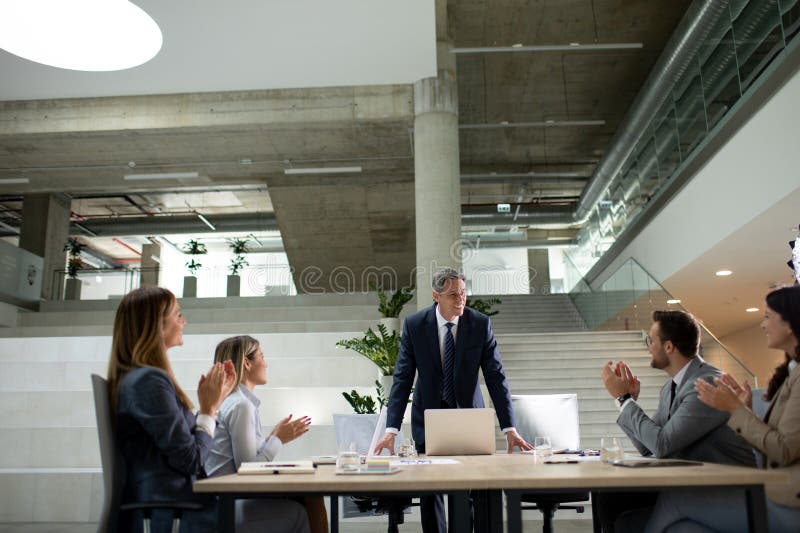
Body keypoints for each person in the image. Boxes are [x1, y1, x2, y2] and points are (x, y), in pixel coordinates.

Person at [108, 287, 309, 533]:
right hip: (177, 511)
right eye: (177, 314)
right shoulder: (148, 381)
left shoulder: (143, 379)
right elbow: (192, 459)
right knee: (298, 513)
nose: (183, 321)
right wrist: (208, 409)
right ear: (157, 325)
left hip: (181, 504)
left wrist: (212, 406)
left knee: (298, 503)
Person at [373, 268, 532, 533]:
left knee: (472, 488)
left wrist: (509, 428)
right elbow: (402, 379)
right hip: (429, 418)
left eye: (463, 293)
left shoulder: (479, 324)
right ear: (436, 296)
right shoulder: (414, 325)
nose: (460, 300)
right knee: (430, 492)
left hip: (469, 418)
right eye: (452, 295)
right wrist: (391, 430)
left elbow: (496, 378)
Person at [637, 285, 800, 533]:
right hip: (771, 491)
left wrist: (738, 411)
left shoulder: (704, 382)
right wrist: (744, 412)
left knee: (676, 498)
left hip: (787, 502)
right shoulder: (792, 374)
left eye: (768, 317)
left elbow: (784, 450)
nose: (762, 325)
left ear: (790, 324)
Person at [599, 309, 755, 532]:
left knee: (624, 518)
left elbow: (662, 445)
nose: (648, 346)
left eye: (650, 340)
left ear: (669, 347)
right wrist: (629, 401)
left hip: (723, 491)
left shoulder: (705, 383)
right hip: (691, 484)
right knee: (610, 497)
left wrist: (624, 400)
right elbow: (647, 446)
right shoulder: (671, 387)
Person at [207, 335, 326, 533]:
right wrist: (278, 440)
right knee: (302, 509)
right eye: (262, 357)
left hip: (224, 501)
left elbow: (246, 460)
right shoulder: (241, 405)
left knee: (310, 497)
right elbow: (248, 470)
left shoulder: (238, 403)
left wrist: (272, 437)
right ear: (246, 362)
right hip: (228, 506)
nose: (266, 363)